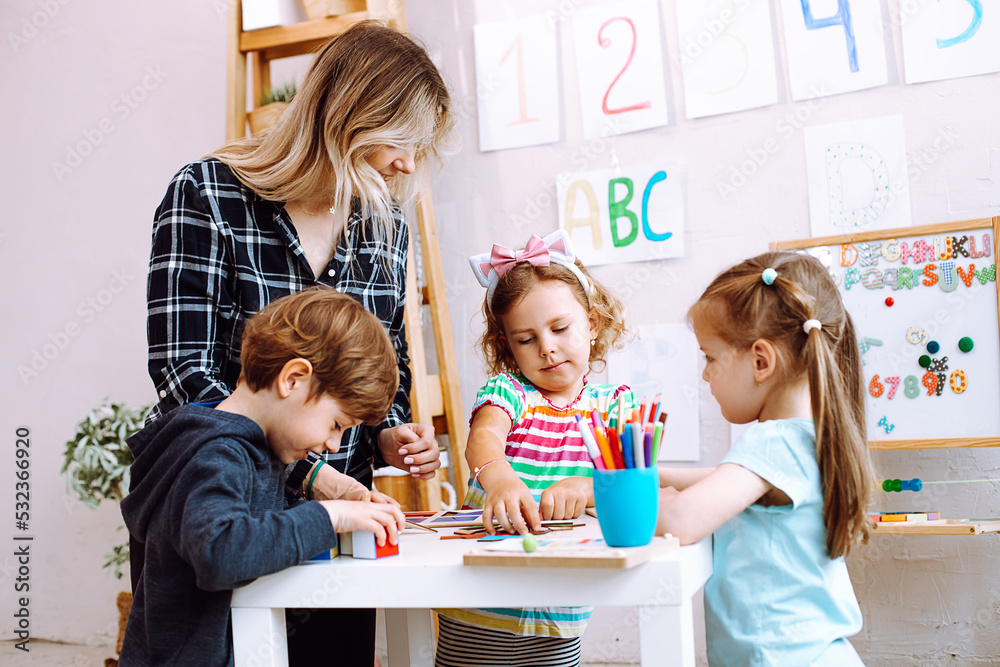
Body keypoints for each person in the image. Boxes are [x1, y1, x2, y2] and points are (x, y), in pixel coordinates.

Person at [141, 21, 455, 662]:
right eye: (403, 141)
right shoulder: (205, 195)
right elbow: (184, 379)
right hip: (233, 510)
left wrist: (389, 430)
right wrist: (313, 479)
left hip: (342, 526)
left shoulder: (384, 224)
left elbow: (379, 361)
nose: (407, 164)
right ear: (353, 115)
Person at [120, 288, 407, 666]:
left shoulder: (249, 448)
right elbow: (221, 552)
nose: (334, 446)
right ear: (293, 379)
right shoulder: (218, 454)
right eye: (336, 424)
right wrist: (331, 517)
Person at [656, 251, 875, 666]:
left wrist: (631, 498)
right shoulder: (808, 437)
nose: (705, 375)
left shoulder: (774, 440)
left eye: (710, 357)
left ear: (761, 361)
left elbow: (682, 522)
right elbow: (726, 482)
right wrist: (648, 477)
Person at [434, 230, 636, 667]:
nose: (546, 348)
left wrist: (587, 486)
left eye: (560, 328)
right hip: (480, 611)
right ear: (507, 345)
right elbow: (483, 440)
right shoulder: (507, 391)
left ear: (593, 322)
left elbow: (632, 480)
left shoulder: (615, 405)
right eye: (526, 339)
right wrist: (502, 481)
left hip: (559, 610)